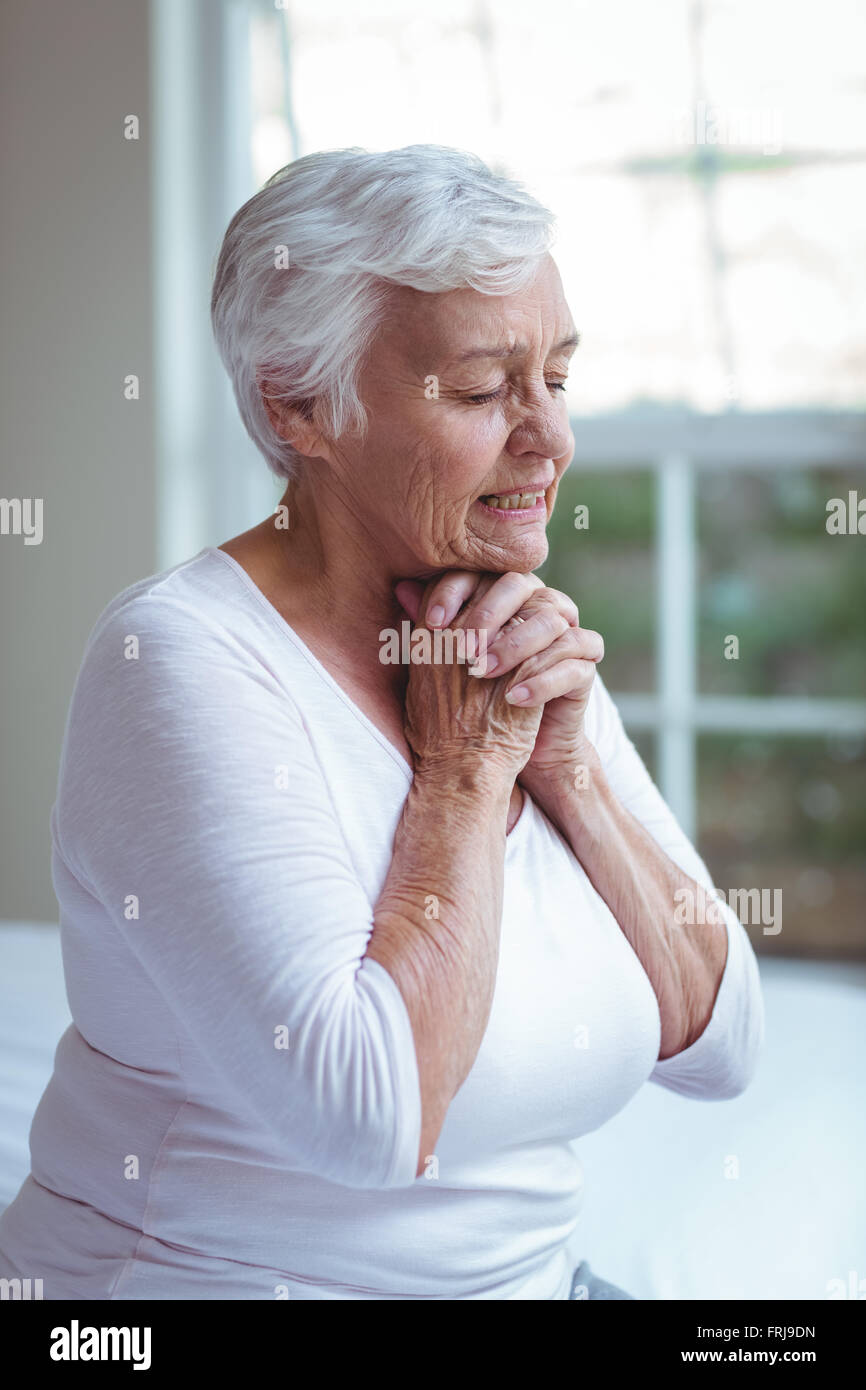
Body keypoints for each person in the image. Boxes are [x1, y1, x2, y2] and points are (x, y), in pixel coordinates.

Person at [0, 146, 763, 1300]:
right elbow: (366, 1123)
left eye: (556, 376)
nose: (548, 439)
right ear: (298, 401)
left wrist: (571, 776)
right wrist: (462, 776)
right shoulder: (178, 660)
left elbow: (721, 1045)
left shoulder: (501, 633)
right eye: (477, 388)